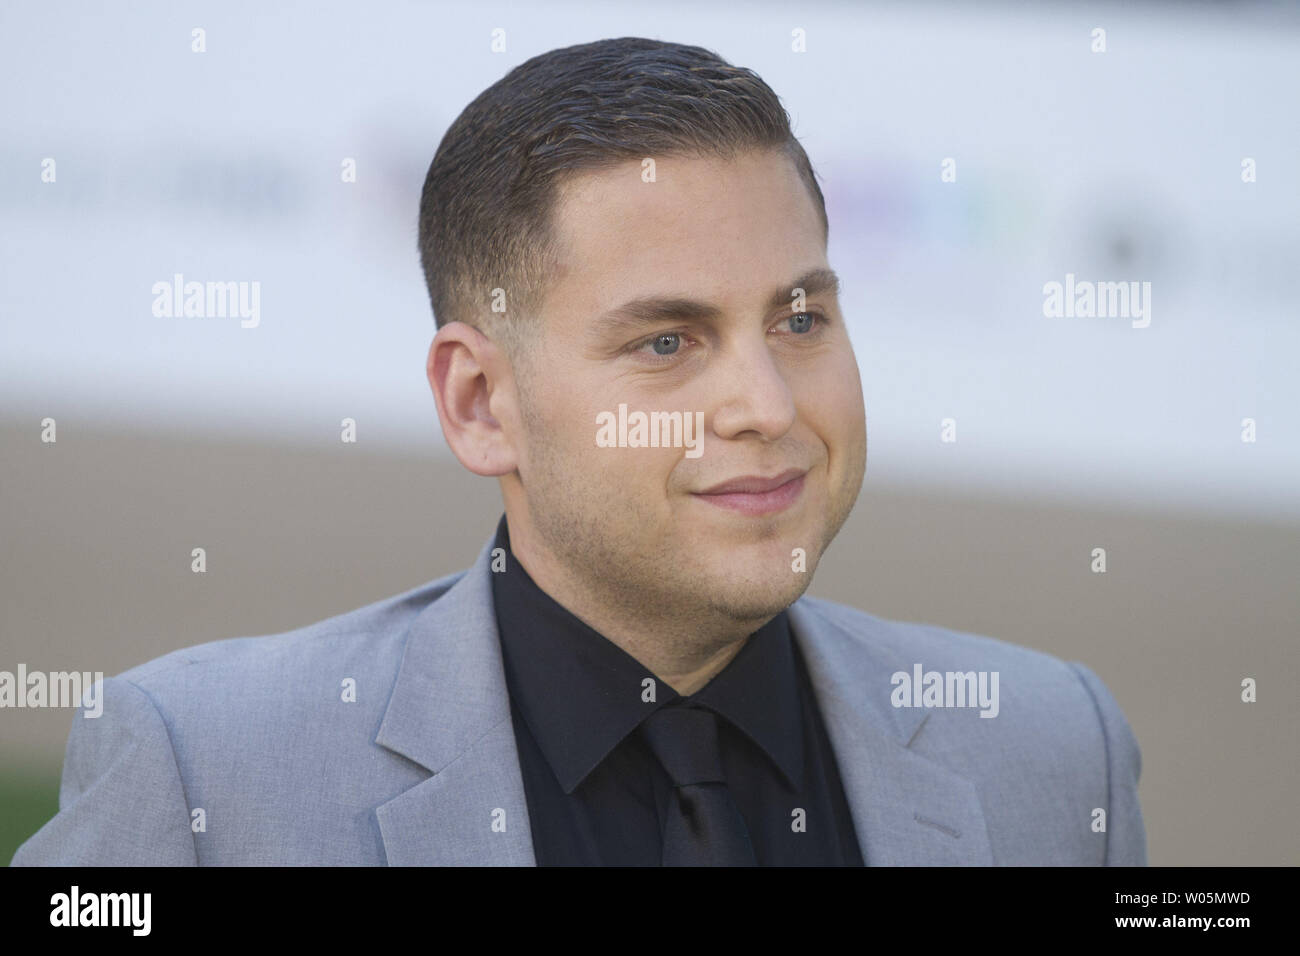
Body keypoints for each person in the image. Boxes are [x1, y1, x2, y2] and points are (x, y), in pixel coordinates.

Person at [12, 37, 1146, 866]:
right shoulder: (208, 771)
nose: (764, 402)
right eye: (666, 339)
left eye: (800, 317)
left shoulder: (1053, 745)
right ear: (479, 401)